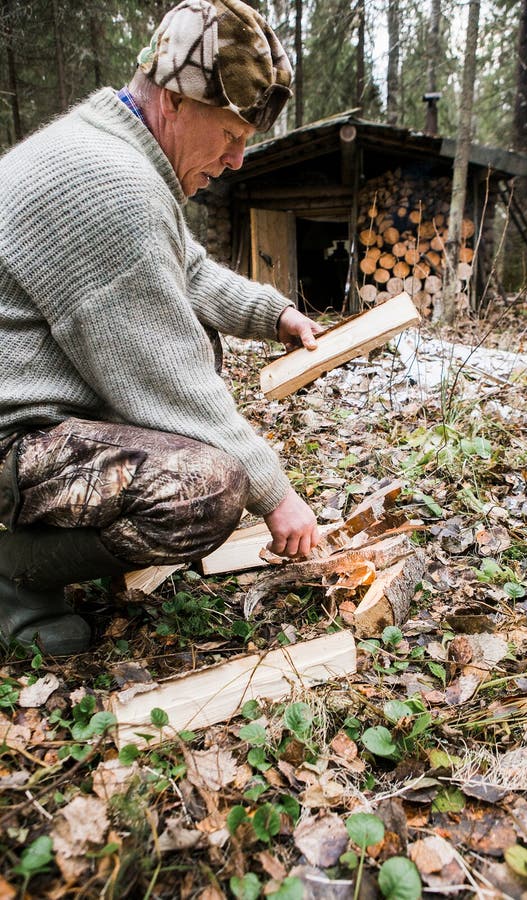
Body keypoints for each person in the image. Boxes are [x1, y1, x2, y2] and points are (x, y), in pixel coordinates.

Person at [0, 0, 322, 655]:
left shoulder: (110, 148)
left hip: (22, 425)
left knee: (195, 437)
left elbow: (190, 272)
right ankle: (13, 575)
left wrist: (273, 314)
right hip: (10, 441)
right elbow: (169, 376)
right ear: (175, 100)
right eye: (230, 137)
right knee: (206, 488)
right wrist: (276, 494)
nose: (235, 161)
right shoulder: (109, 186)